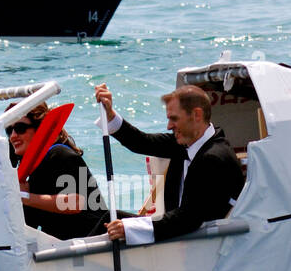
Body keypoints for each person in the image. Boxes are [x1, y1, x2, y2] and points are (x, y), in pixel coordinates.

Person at [94, 82, 244, 244]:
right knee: (106, 218)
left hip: (199, 243)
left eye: (174, 119)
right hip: (179, 229)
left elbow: (188, 219)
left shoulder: (214, 159)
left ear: (196, 115)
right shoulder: (186, 142)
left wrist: (129, 228)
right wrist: (110, 115)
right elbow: (142, 142)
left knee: (115, 227)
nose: (169, 126)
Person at [7, 102, 106, 240]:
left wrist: (25, 197)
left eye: (20, 128)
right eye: (9, 130)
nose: (12, 136)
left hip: (96, 240)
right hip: (63, 246)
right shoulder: (32, 174)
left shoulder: (60, 154)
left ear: (39, 129)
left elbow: (75, 203)